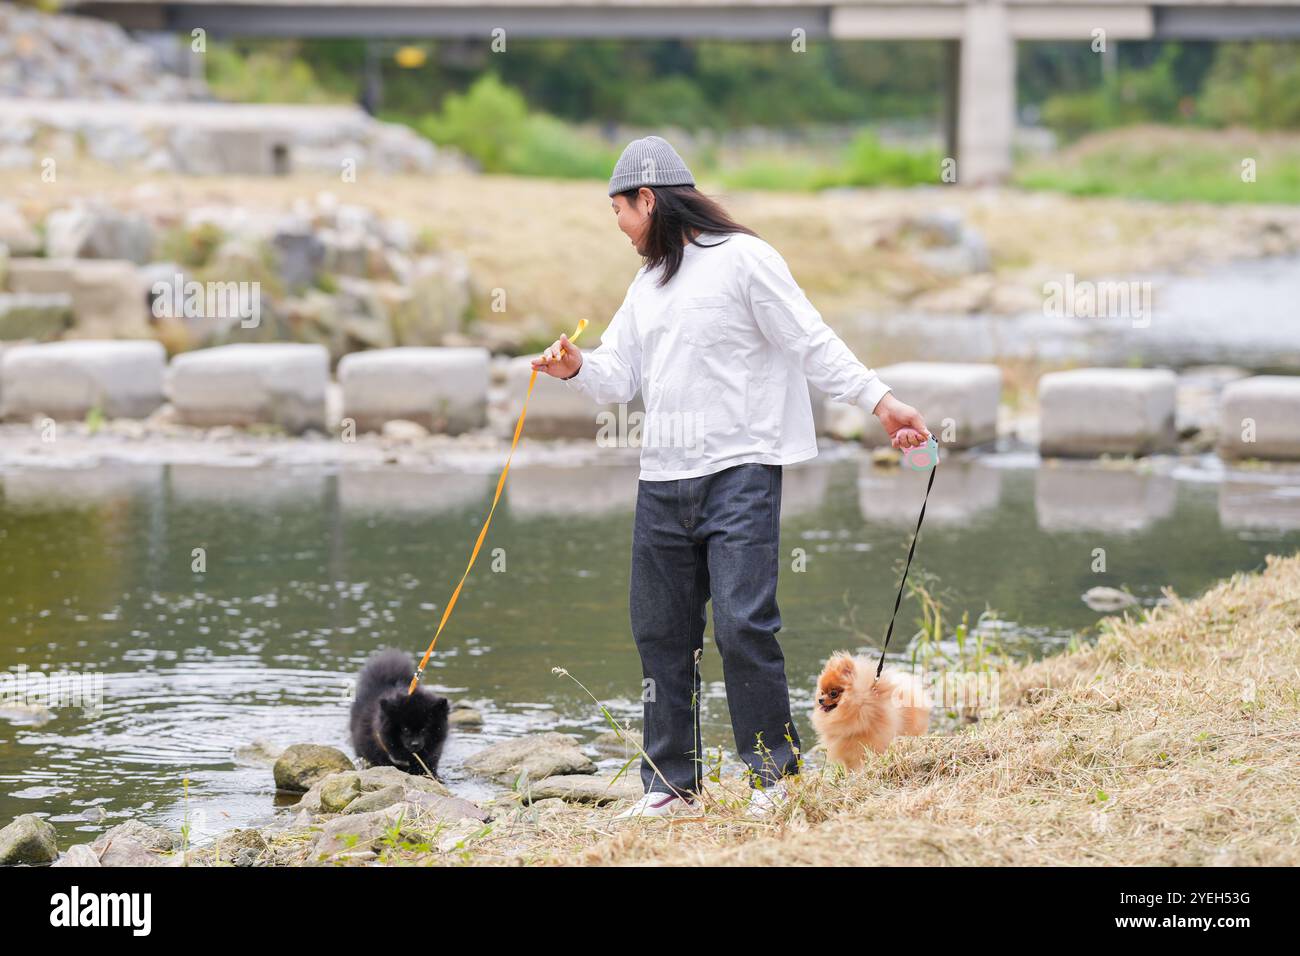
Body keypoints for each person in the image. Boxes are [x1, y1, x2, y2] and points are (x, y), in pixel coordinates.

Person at [532, 135, 930, 818]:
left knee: (745, 626)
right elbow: (618, 375)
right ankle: (671, 786)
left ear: (647, 200)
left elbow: (810, 340)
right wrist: (574, 369)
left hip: (740, 471)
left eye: (621, 212)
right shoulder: (648, 283)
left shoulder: (747, 260)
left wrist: (881, 401)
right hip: (662, 479)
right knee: (660, 632)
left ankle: (775, 780)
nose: (621, 227)